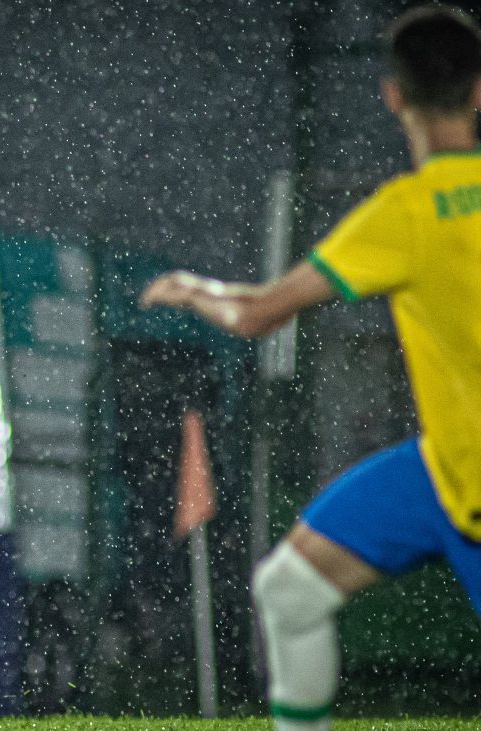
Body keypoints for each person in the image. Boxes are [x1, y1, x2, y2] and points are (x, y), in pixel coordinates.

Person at [141, 6, 481, 730]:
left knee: (288, 596)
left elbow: (255, 313)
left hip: (470, 475)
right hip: (442, 468)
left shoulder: (406, 214)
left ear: (394, 95)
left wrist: (193, 288)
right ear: (478, 91)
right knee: (291, 587)